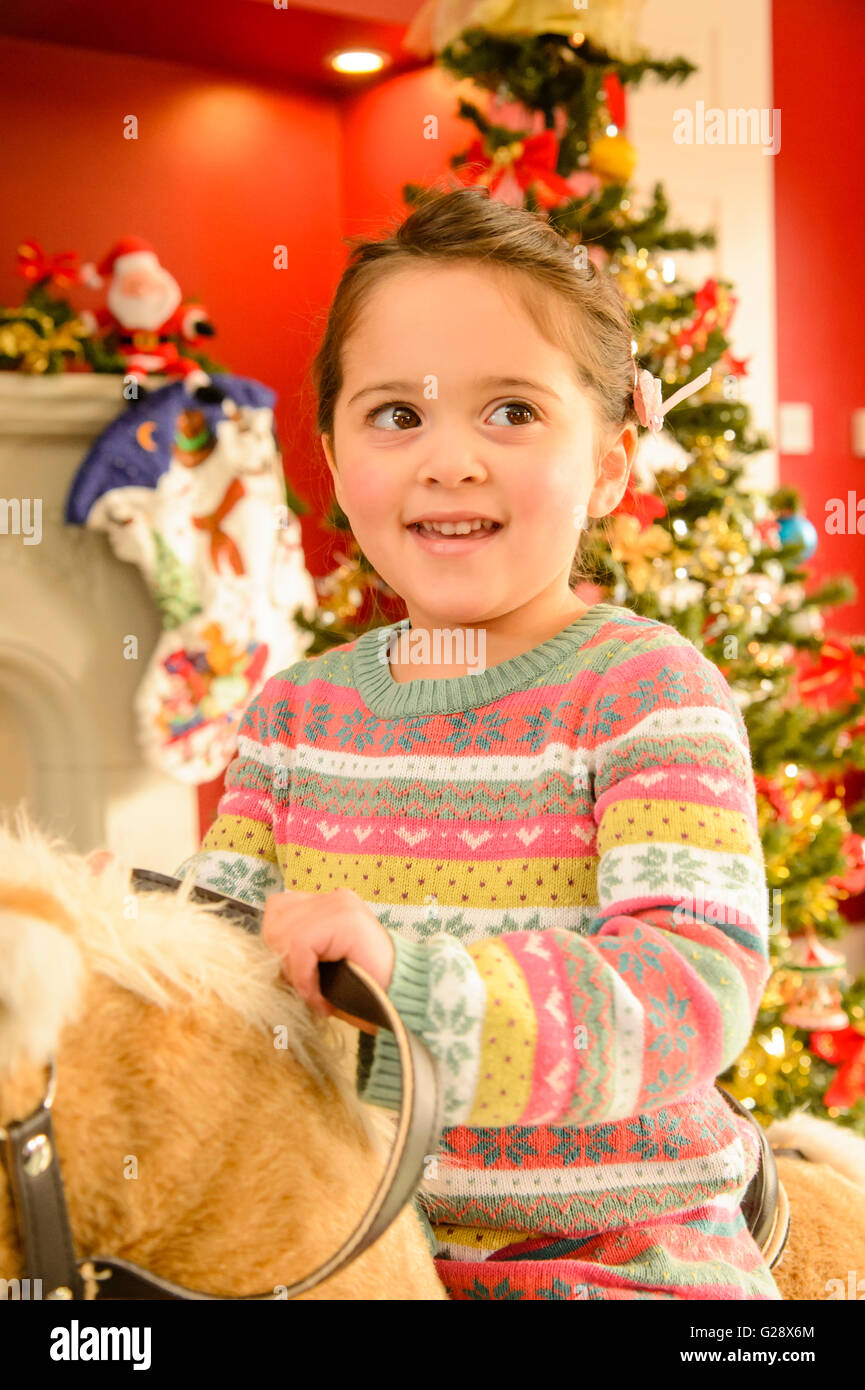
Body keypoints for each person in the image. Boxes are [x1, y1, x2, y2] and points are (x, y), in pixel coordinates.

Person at [174, 186, 782, 1300]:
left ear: (608, 463)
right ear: (333, 454)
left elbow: (688, 987)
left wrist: (412, 986)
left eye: (510, 411)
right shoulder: (294, 714)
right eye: (397, 415)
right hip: (334, 1247)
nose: (448, 459)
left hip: (614, 1261)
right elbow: (213, 976)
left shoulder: (646, 690)